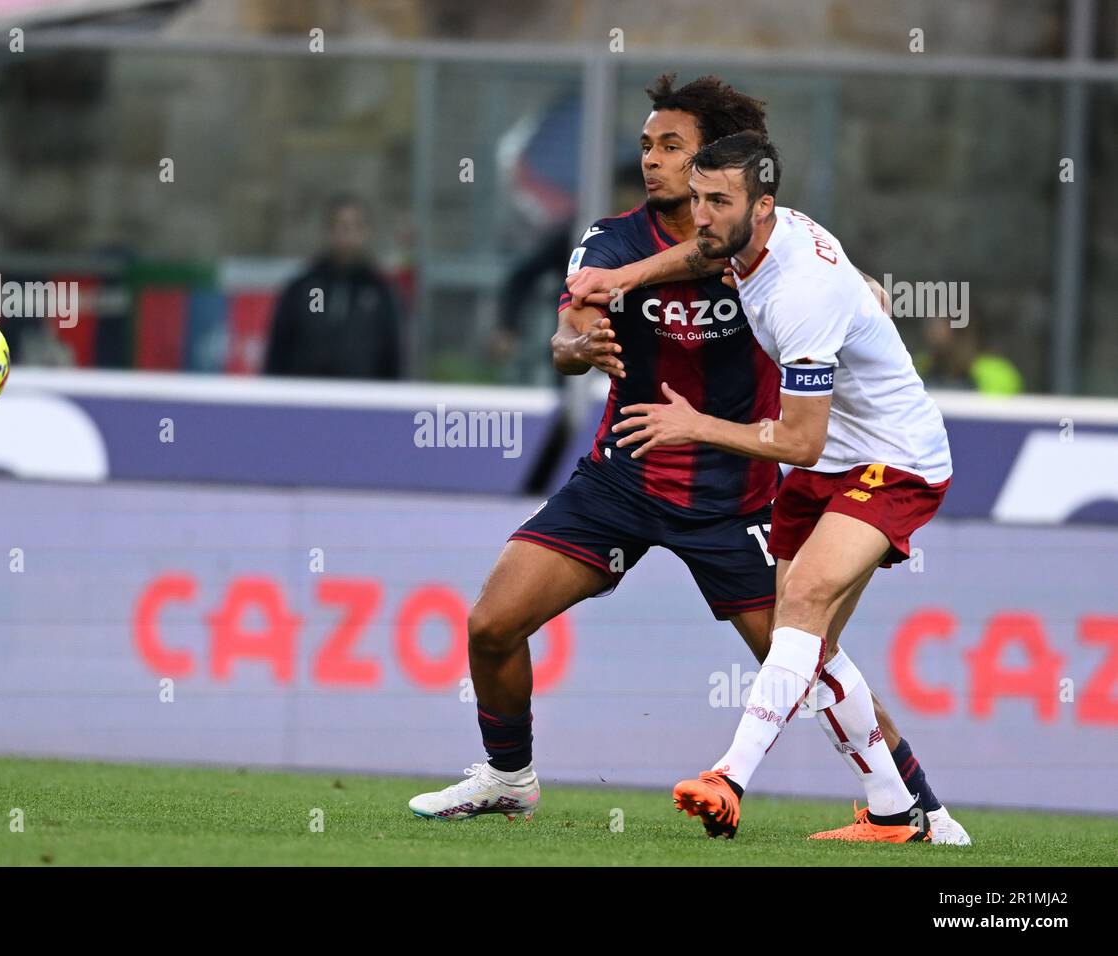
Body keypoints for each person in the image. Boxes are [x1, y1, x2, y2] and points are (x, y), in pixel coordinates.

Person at [409, 76, 968, 845]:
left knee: (805, 654)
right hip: (623, 476)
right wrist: (574, 343)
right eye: (646, 146)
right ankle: (508, 779)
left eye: (671, 147)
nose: (652, 161)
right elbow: (576, 316)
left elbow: (763, 275)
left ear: (722, 167)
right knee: (491, 623)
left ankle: (917, 805)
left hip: (734, 495)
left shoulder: (762, 251)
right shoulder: (612, 239)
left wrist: (866, 297)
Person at [607, 131, 954, 842]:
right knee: (808, 645)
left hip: (894, 461)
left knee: (799, 607)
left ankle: (729, 776)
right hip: (828, 466)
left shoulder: (798, 292)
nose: (700, 217)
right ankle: (904, 814)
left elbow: (799, 438)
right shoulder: (758, 237)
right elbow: (858, 296)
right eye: (696, 197)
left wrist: (694, 425)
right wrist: (619, 279)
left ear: (763, 207)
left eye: (717, 202)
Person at [263, 196, 402, 380]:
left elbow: (393, 357)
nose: (347, 235)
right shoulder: (306, 289)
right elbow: (279, 351)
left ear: (366, 232)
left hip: (364, 398)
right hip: (307, 395)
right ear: (328, 231)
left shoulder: (380, 293)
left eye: (355, 227)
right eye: (341, 226)